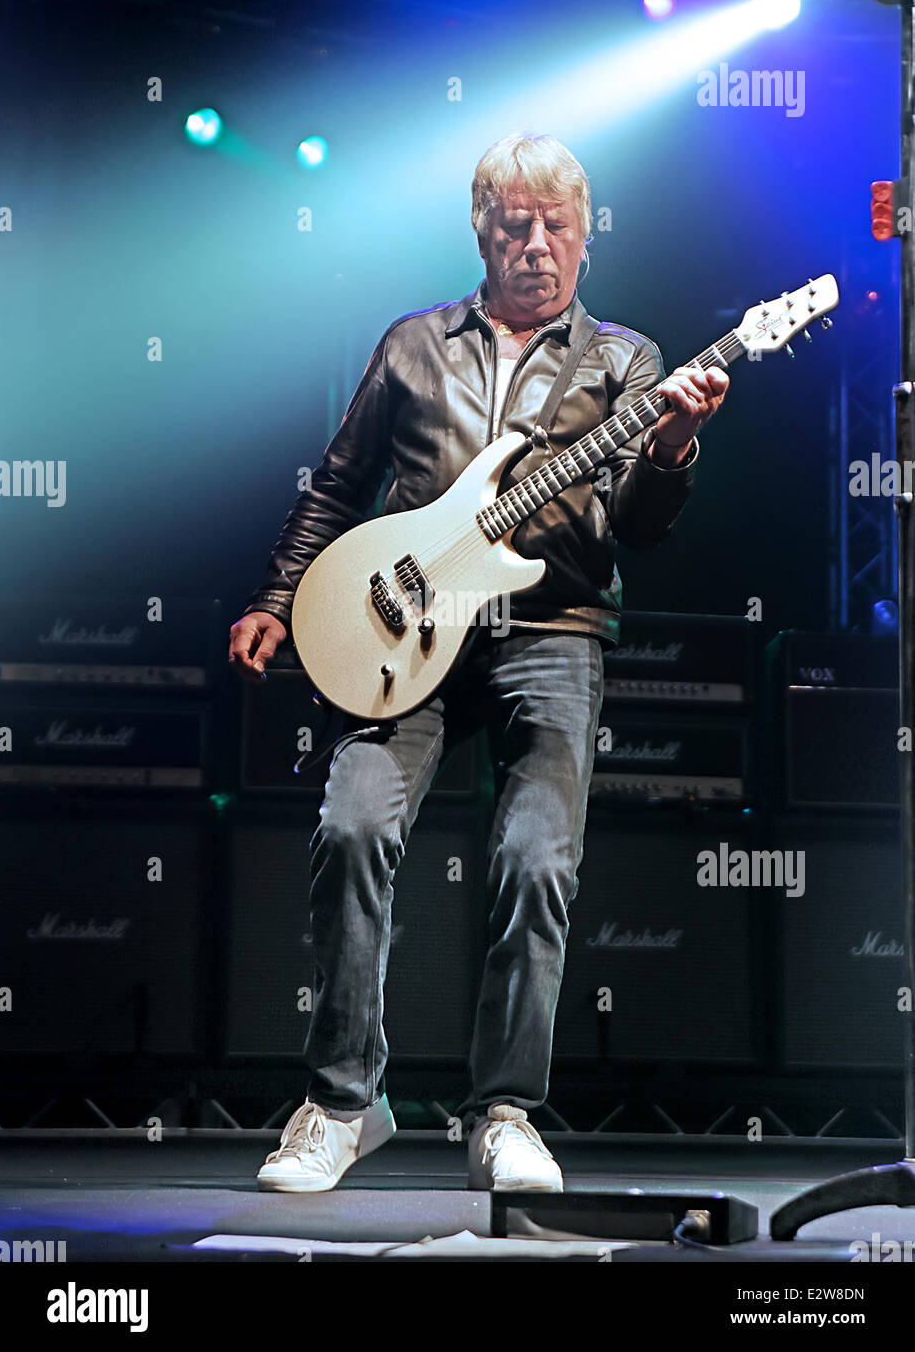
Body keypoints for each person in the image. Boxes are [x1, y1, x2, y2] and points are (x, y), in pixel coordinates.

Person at [229, 132, 728, 1194]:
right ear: (481, 230)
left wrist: (676, 447)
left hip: (552, 631)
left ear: (587, 239)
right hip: (405, 632)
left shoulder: (625, 363)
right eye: (515, 224)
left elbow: (639, 525)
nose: (535, 245)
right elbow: (337, 483)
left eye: (557, 226)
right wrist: (279, 597)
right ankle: (341, 1102)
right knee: (353, 823)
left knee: (537, 860)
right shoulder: (413, 345)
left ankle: (502, 1110)